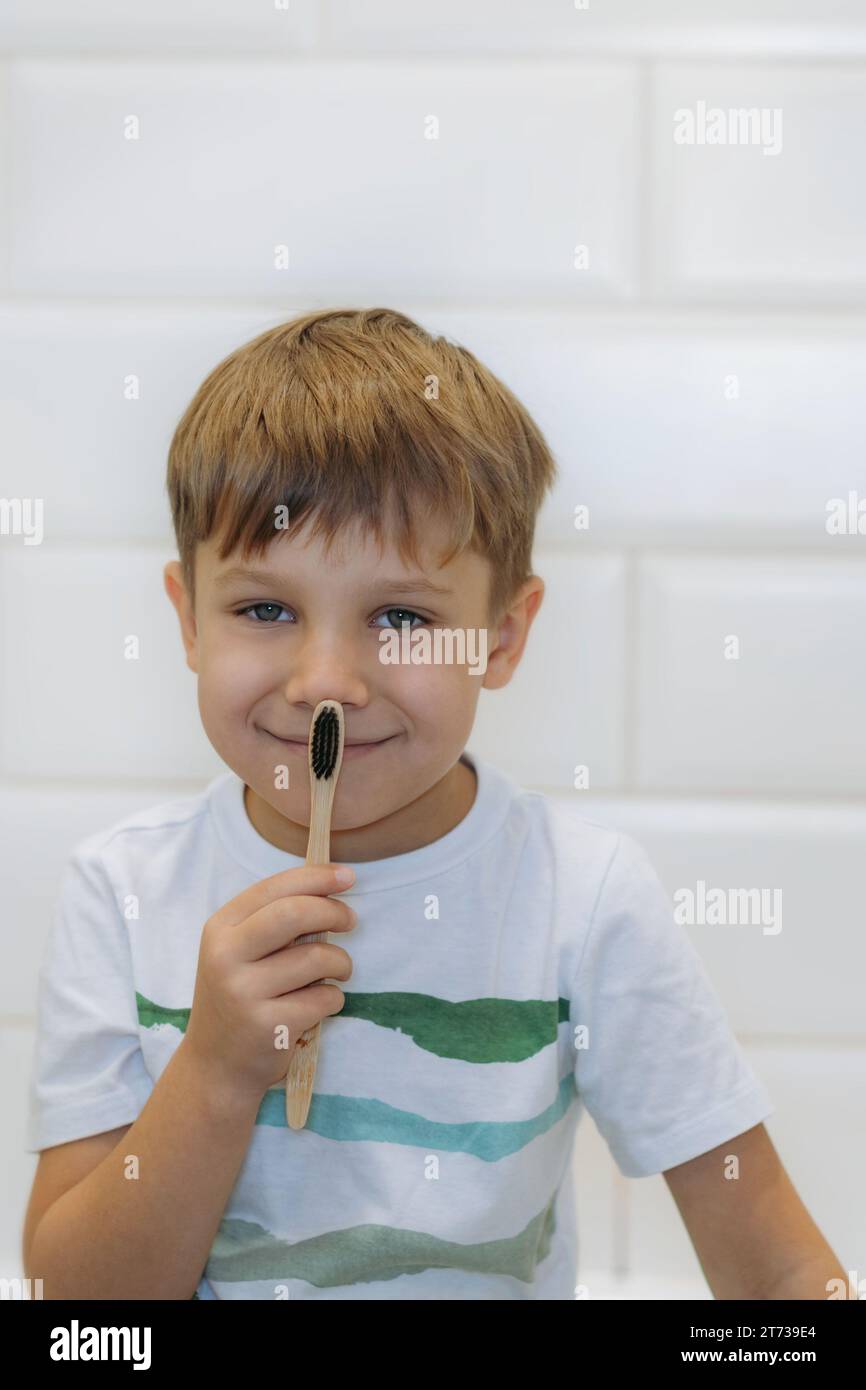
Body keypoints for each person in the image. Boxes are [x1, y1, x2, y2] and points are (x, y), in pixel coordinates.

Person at [22, 308, 845, 1299]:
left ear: (499, 638)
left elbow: (780, 1272)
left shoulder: (580, 899)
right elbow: (80, 1311)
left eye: (401, 616)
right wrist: (213, 1069)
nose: (326, 680)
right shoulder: (121, 891)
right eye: (264, 609)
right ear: (187, 618)